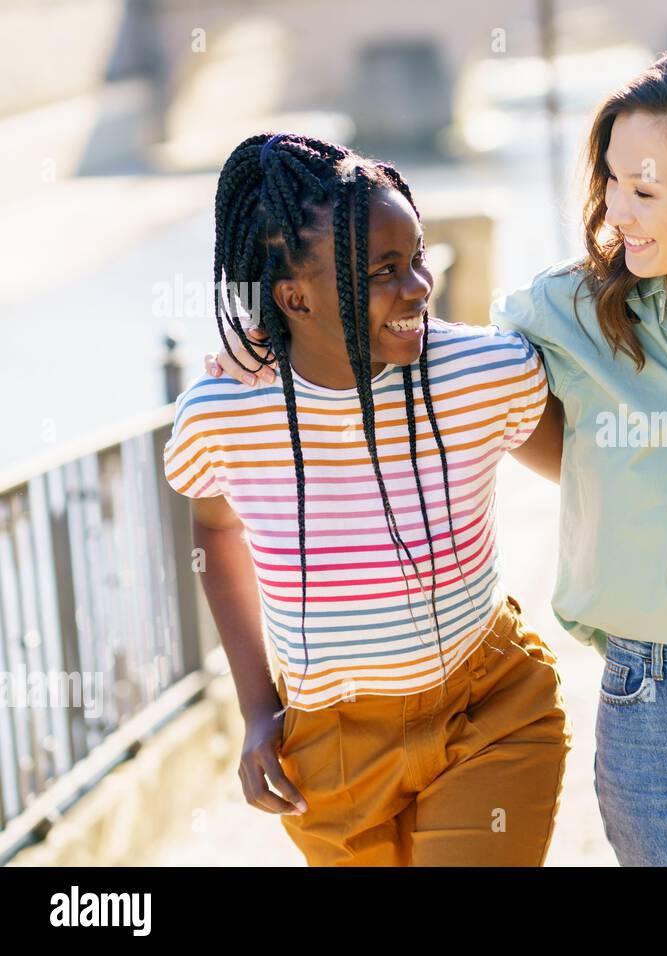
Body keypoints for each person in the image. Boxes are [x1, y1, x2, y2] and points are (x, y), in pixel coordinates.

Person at [210, 42, 667, 867]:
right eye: (611, 180)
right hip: (653, 720)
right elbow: (434, 357)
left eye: (645, 189)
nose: (617, 209)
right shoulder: (570, 315)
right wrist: (274, 340)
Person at [164, 132, 570, 866]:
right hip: (330, 752)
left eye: (416, 258)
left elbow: (597, 471)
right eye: (385, 271)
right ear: (293, 297)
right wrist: (258, 711)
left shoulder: (483, 372)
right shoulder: (223, 416)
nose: (418, 286)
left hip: (489, 711)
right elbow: (216, 534)